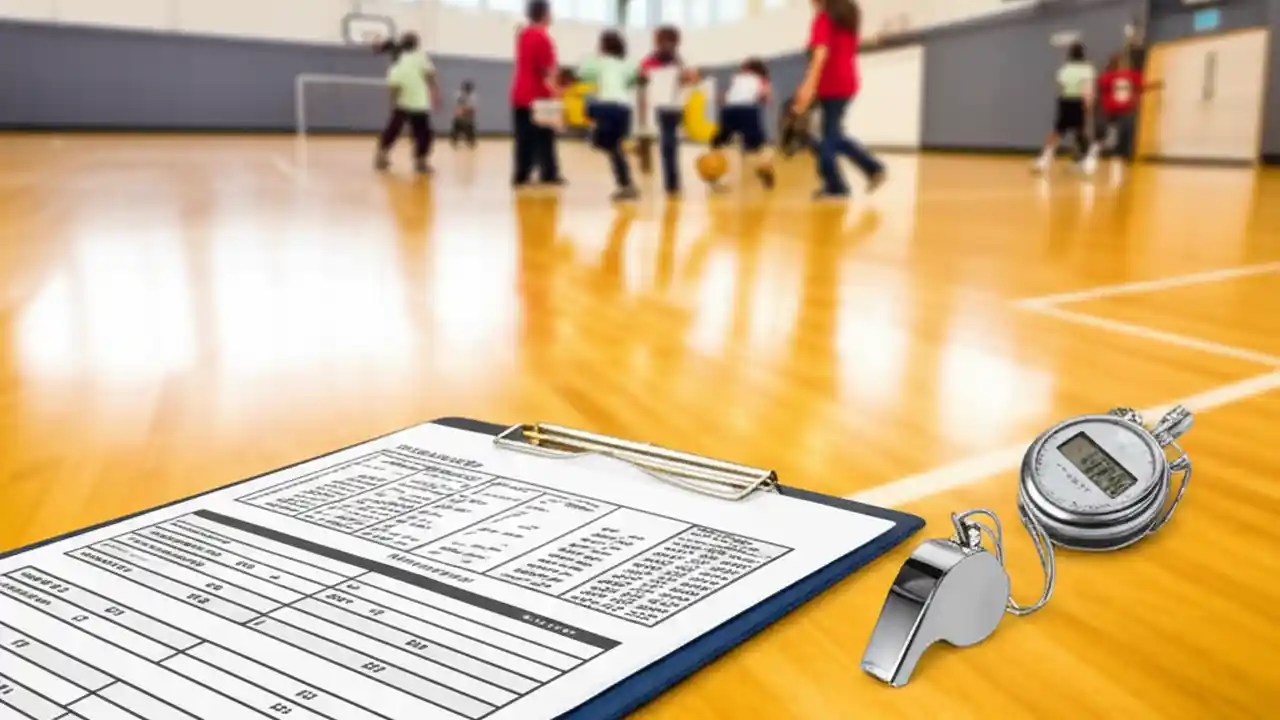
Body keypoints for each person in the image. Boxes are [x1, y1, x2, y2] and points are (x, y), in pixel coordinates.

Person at [793, 0, 886, 201]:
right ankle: (872, 169)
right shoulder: (847, 19)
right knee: (833, 135)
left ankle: (836, 186)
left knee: (827, 139)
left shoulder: (824, 18)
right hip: (847, 82)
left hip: (832, 85)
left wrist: (807, 86)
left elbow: (820, 55)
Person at [579, 30, 640, 202]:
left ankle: (595, 137)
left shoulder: (598, 62)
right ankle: (626, 185)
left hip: (606, 107)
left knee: (588, 108)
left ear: (603, 46)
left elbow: (583, 73)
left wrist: (595, 56)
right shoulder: (628, 63)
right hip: (624, 110)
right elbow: (633, 80)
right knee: (615, 148)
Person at [510, 0, 565, 188]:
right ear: (545, 14)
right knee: (545, 137)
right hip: (539, 96)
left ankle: (521, 175)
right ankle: (548, 174)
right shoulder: (542, 38)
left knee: (524, 138)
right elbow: (547, 71)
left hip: (520, 93)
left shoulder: (523, 34)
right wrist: (558, 92)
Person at [639, 26, 697, 197]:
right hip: (662, 106)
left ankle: (672, 183)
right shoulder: (654, 61)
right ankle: (672, 183)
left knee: (669, 143)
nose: (666, 44)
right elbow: (641, 76)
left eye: (669, 41)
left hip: (673, 106)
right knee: (668, 143)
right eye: (662, 41)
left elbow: (690, 79)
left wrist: (686, 77)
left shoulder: (678, 61)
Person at [375, 32, 440, 174]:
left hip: (402, 103)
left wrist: (393, 102)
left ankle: (381, 155)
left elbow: (393, 86)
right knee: (424, 134)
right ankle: (421, 162)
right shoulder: (421, 57)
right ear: (416, 45)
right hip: (419, 103)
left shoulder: (397, 62)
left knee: (393, 130)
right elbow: (431, 76)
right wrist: (435, 94)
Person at [707, 58, 775, 191]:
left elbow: (724, 98)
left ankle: (716, 177)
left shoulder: (737, 78)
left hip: (729, 110)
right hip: (748, 110)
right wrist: (762, 99)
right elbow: (766, 96)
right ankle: (764, 166)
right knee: (756, 147)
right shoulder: (762, 80)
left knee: (719, 142)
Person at [1034, 41, 1098, 176]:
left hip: (1064, 101)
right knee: (1081, 131)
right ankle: (1087, 163)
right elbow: (1088, 89)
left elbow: (1060, 87)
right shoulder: (1088, 69)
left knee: (1057, 130)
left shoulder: (1064, 69)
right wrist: (1088, 105)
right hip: (1079, 101)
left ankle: (1043, 160)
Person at [1097, 52, 1156, 163]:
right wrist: (1155, 86)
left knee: (1118, 130)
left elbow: (1102, 87)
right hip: (1125, 108)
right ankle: (1125, 152)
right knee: (1127, 130)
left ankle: (1118, 151)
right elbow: (1143, 86)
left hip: (1112, 109)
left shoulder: (1107, 76)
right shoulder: (1131, 75)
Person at [452, 80, 478, 148]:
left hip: (468, 115)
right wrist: (460, 112)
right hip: (460, 115)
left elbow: (472, 109)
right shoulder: (458, 95)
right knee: (457, 124)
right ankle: (455, 139)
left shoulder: (473, 96)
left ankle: (470, 140)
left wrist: (467, 111)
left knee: (470, 125)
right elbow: (457, 108)